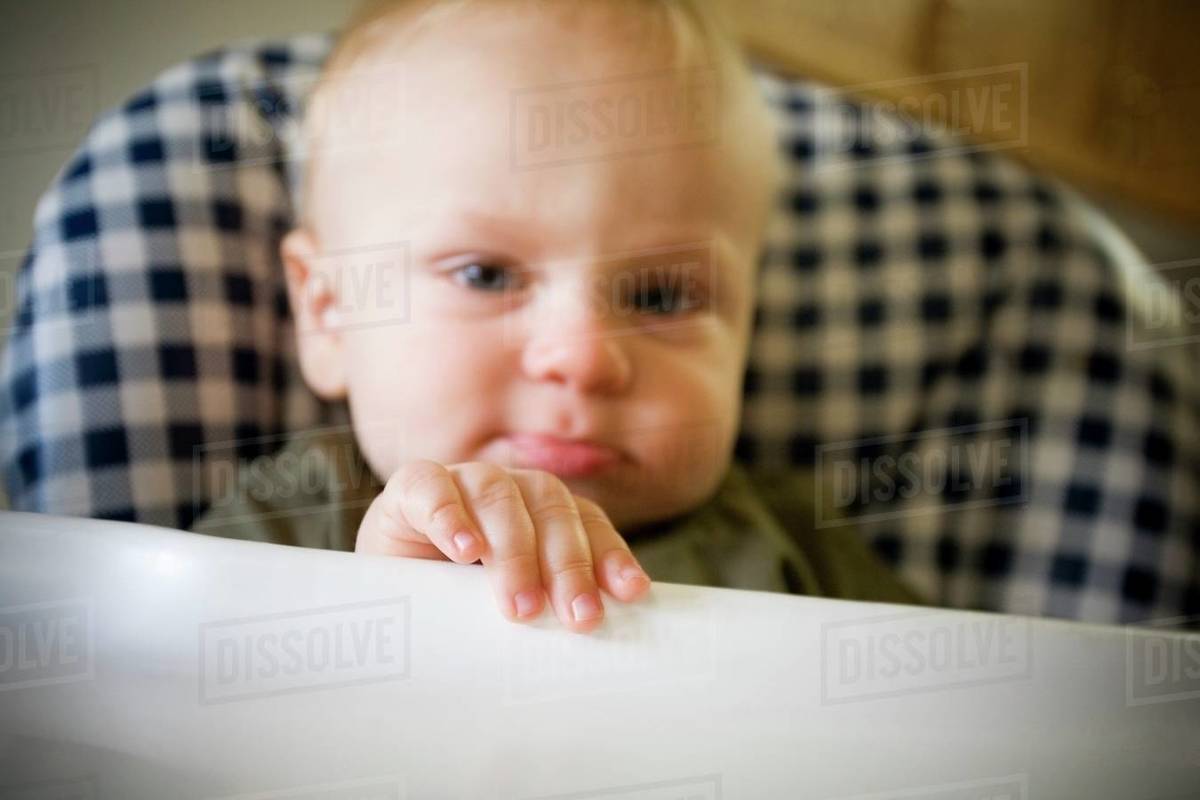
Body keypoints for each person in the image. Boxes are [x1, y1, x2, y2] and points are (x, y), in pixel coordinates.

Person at [193, 0, 921, 632]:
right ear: (328, 313)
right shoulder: (290, 521)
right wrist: (386, 601)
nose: (584, 356)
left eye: (661, 297)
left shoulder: (799, 546)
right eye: (485, 275)